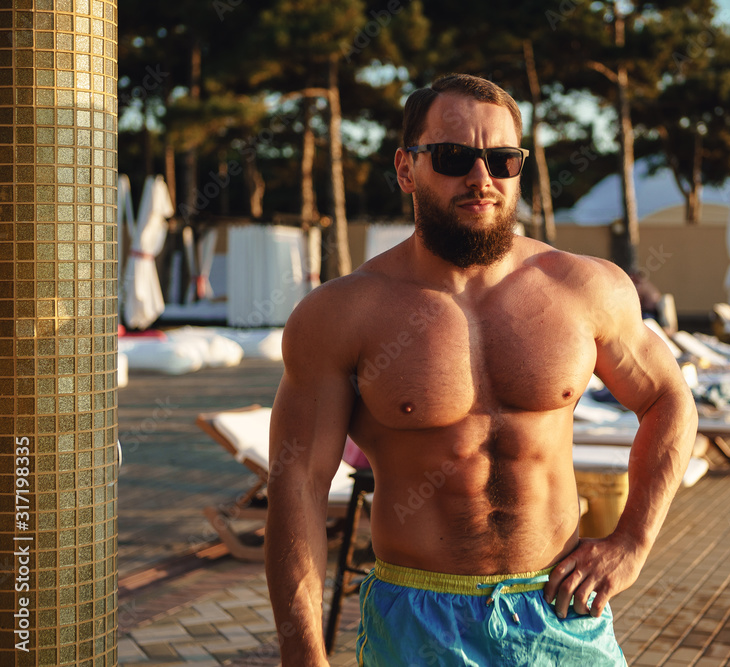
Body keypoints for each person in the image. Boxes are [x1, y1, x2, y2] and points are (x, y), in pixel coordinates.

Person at [264, 73, 698, 666]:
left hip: (560, 612)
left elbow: (669, 400)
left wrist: (632, 541)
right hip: (418, 623)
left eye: (502, 159)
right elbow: (299, 486)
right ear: (405, 168)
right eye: (453, 157)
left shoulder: (582, 288)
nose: (481, 178)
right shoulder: (343, 313)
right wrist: (303, 656)